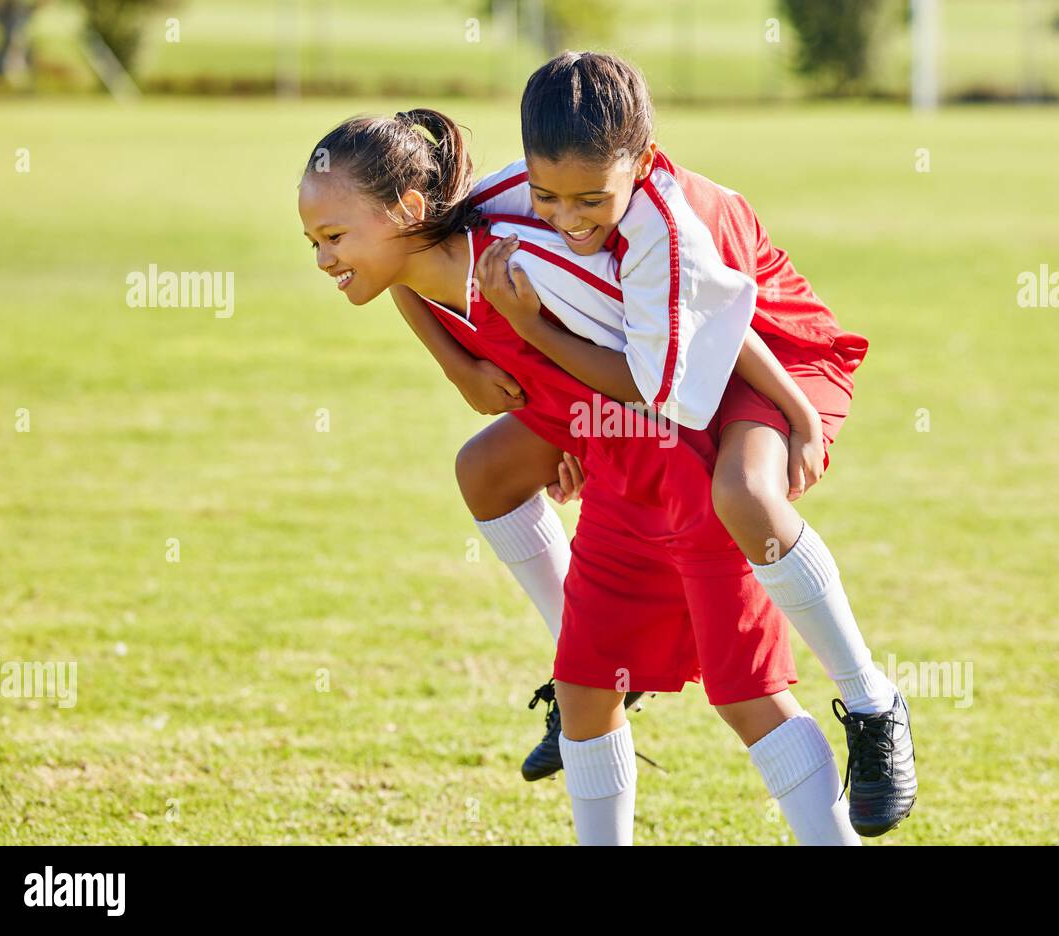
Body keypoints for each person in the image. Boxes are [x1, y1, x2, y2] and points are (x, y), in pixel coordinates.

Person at [298, 109, 865, 845]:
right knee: (585, 685)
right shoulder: (419, 264)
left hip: (686, 474)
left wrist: (796, 411)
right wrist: (462, 368)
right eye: (313, 242)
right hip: (621, 478)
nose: (322, 260)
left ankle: (859, 749)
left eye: (333, 238)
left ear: (408, 211)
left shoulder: (527, 264)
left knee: (748, 699)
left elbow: (707, 327)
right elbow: (407, 277)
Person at [463, 51, 916, 835]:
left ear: (642, 162)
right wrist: (471, 370)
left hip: (779, 363)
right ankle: (591, 667)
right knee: (489, 467)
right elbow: (409, 246)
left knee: (742, 494)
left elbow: (656, 381)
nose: (566, 219)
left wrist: (533, 328)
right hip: (686, 368)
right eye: (548, 196)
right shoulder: (516, 194)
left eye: (588, 200)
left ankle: (874, 705)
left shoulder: (666, 228)